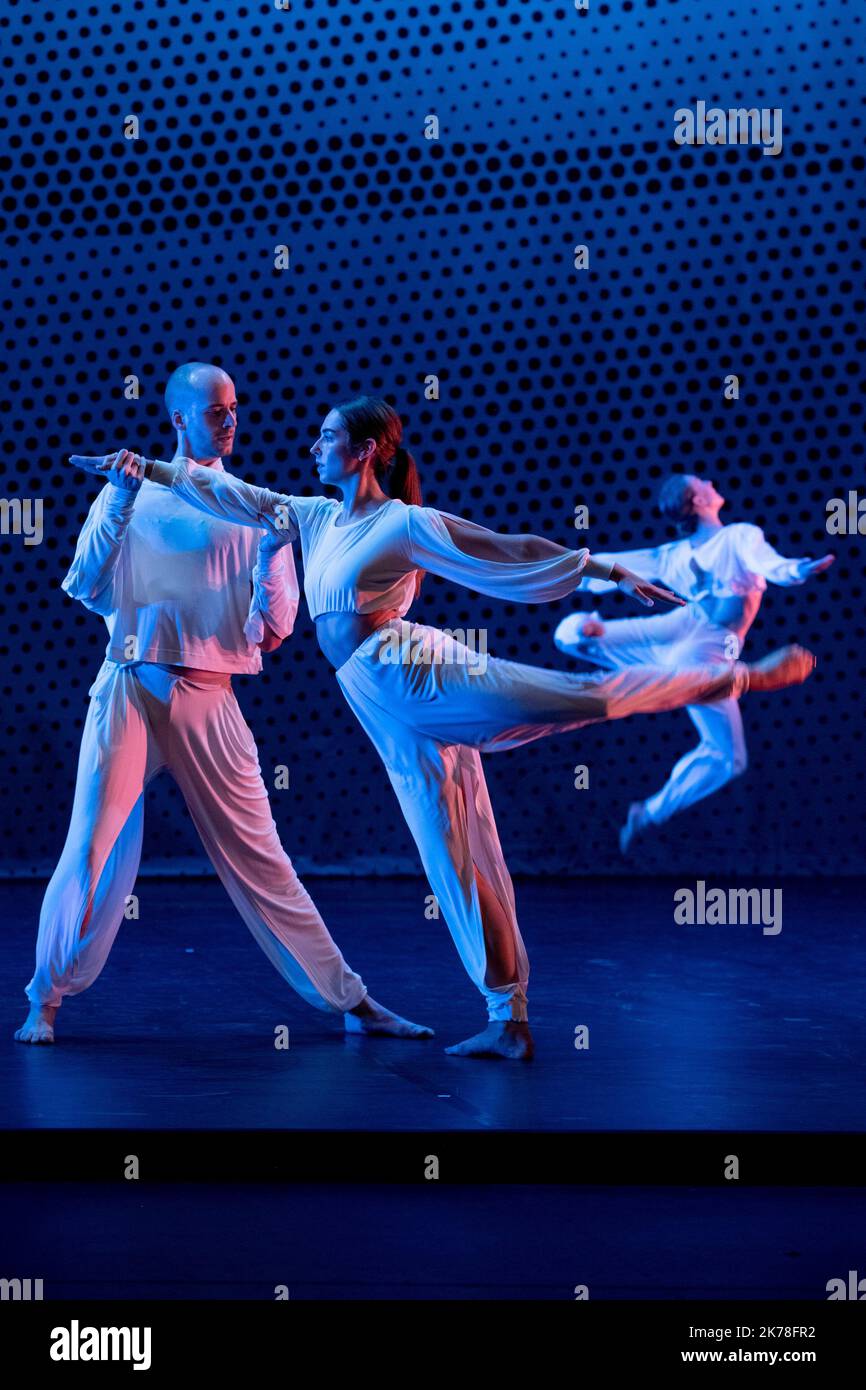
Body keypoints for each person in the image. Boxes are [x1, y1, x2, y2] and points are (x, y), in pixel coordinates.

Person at [71, 401, 816, 1060]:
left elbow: (502, 549)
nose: (312, 447)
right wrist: (149, 470)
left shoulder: (403, 523)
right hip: (378, 700)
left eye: (328, 437)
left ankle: (742, 676)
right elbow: (225, 489)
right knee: (453, 848)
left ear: (365, 451)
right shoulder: (314, 515)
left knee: (572, 695)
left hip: (416, 667)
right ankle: (508, 1016)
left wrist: (600, 569)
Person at [17, 368, 430, 1045]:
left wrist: (271, 553)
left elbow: (274, 629)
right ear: (179, 419)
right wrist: (119, 498)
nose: (231, 420)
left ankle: (353, 1002)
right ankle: (46, 998)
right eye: (216, 411)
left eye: (236, 408)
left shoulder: (252, 505)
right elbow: (88, 587)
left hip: (211, 698)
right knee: (89, 846)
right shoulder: (135, 490)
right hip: (129, 688)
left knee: (264, 859)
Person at [553, 474, 834, 852]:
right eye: (701, 482)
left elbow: (611, 567)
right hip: (699, 648)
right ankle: (650, 811)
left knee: (573, 637)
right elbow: (769, 565)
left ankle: (580, 631)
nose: (710, 481)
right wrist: (797, 570)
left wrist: (795, 570)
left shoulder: (674, 556)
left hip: (684, 642)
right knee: (728, 758)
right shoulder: (735, 537)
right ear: (698, 501)